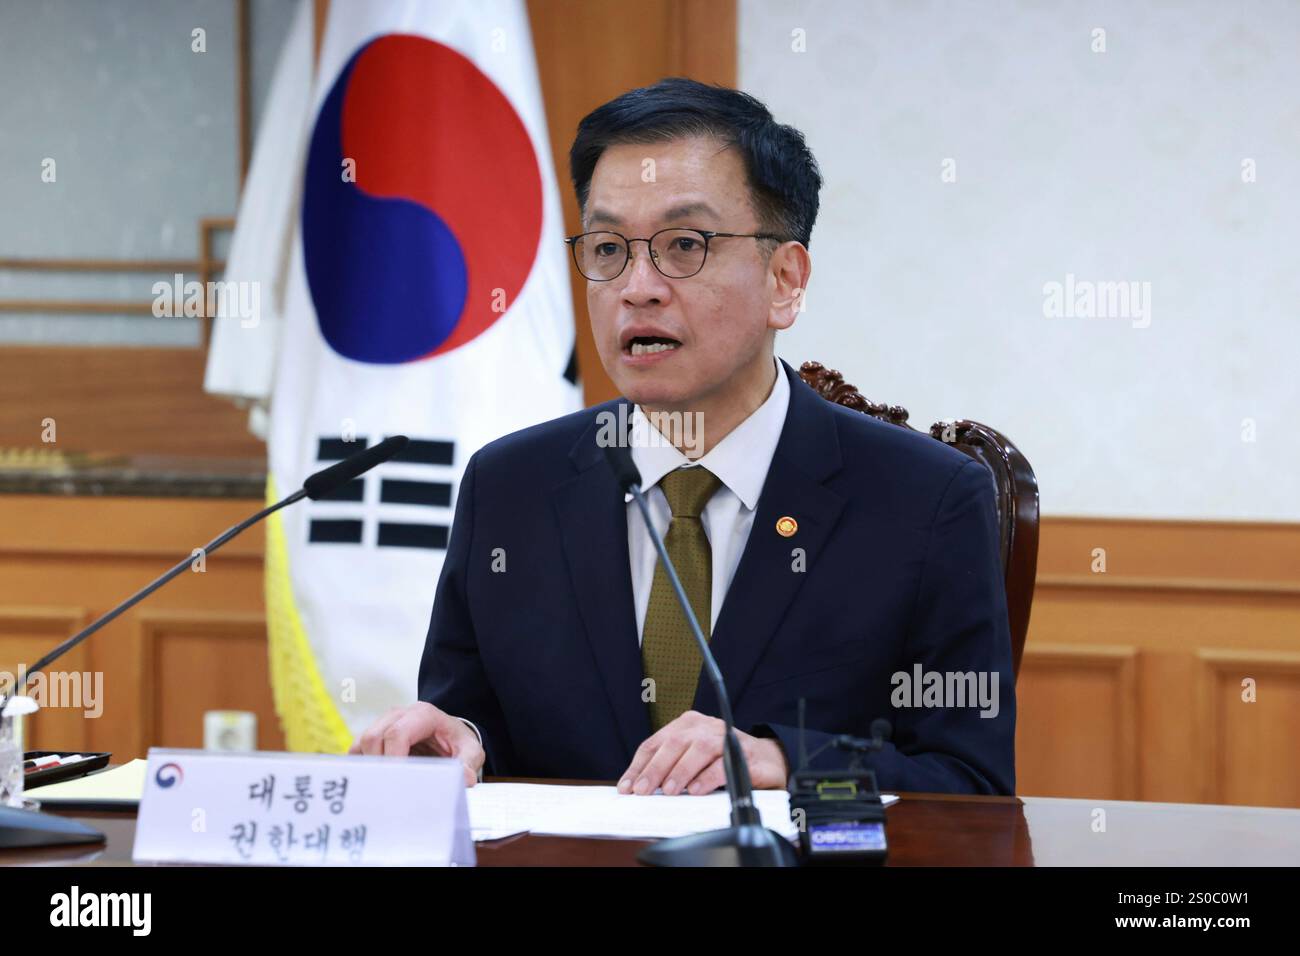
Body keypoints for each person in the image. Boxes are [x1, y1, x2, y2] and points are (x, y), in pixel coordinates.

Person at [350, 77, 1015, 797]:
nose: (638, 286)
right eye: (608, 248)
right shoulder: (511, 486)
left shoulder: (924, 500)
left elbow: (968, 782)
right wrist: (456, 742)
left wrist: (784, 763)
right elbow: (479, 722)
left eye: (684, 245)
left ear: (785, 281)